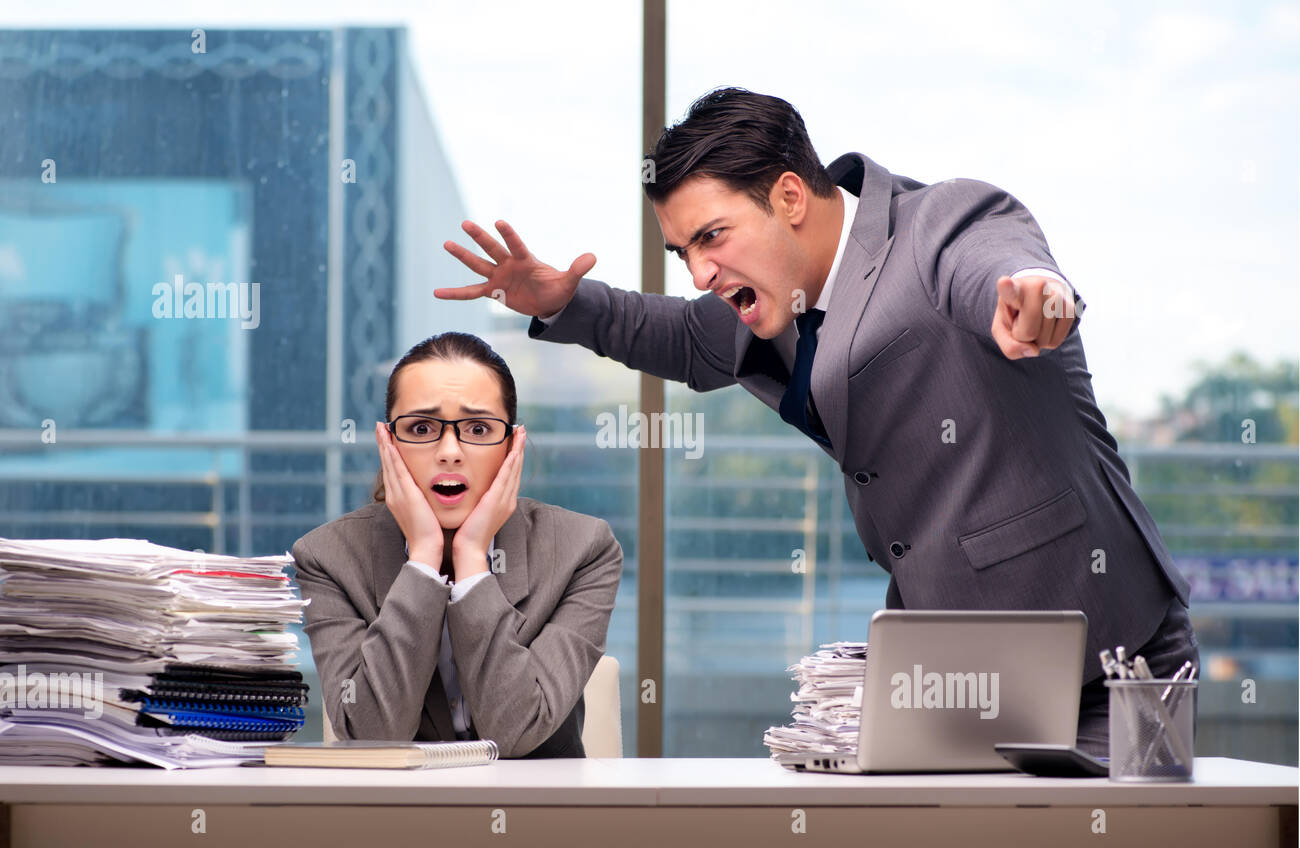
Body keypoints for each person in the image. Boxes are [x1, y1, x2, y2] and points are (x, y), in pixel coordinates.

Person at [432, 87, 1199, 756]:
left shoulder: (944, 224)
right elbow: (676, 333)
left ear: (791, 198)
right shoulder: (777, 301)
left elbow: (1001, 270)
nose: (699, 273)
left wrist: (1038, 300)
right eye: (682, 251)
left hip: (1105, 653)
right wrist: (559, 302)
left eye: (711, 236)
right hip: (957, 671)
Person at [292, 332, 623, 758]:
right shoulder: (328, 558)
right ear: (388, 442)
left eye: (479, 428)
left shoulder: (583, 551)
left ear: (511, 445)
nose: (449, 452)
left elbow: (516, 732)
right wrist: (424, 558)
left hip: (539, 815)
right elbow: (371, 737)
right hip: (398, 817)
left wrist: (471, 560)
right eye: (422, 428)